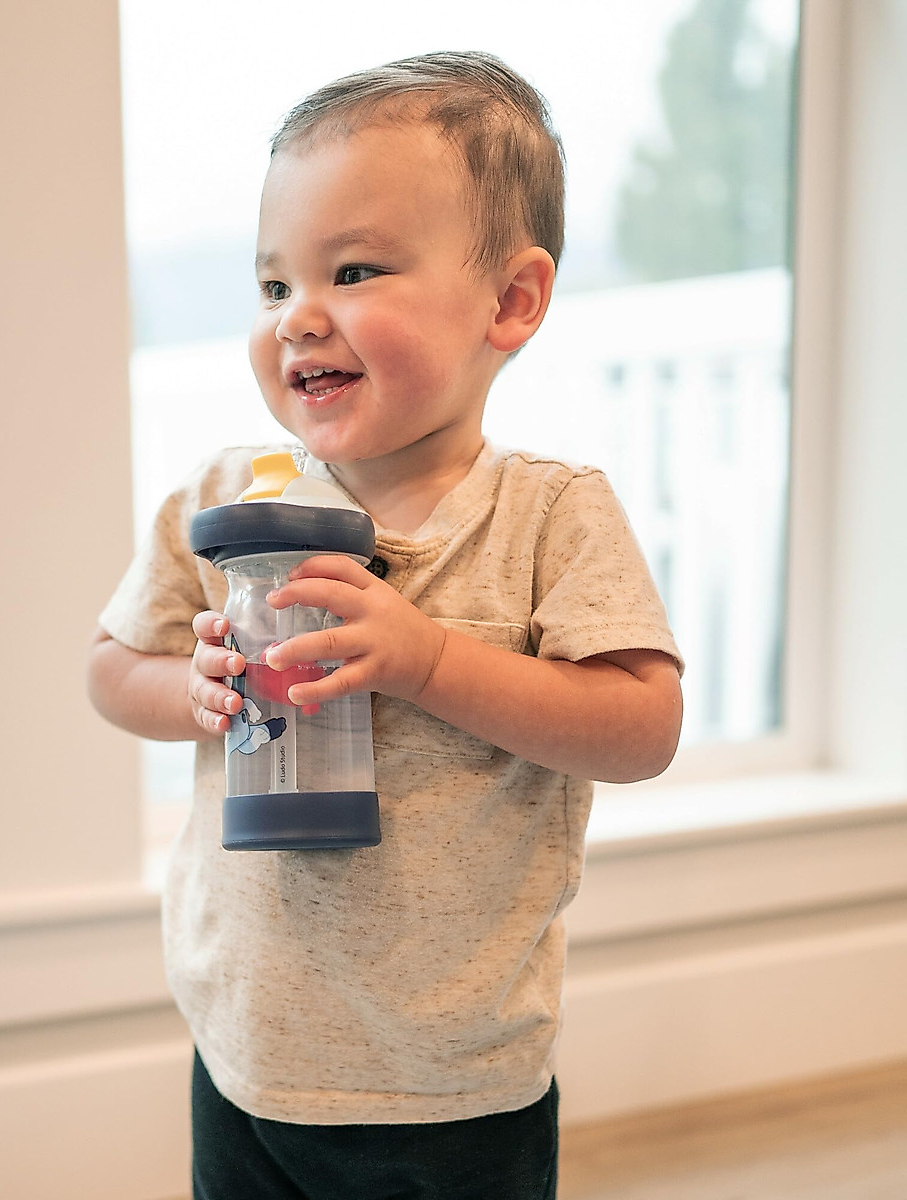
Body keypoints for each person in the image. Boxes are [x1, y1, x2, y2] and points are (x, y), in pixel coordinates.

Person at [88, 51, 684, 1200]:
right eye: (273, 288)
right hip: (248, 1047)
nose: (299, 317)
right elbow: (111, 668)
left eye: (352, 270)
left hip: (449, 1081)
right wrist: (190, 691)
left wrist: (428, 658)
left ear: (510, 302)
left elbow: (640, 725)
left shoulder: (548, 512)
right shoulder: (227, 497)